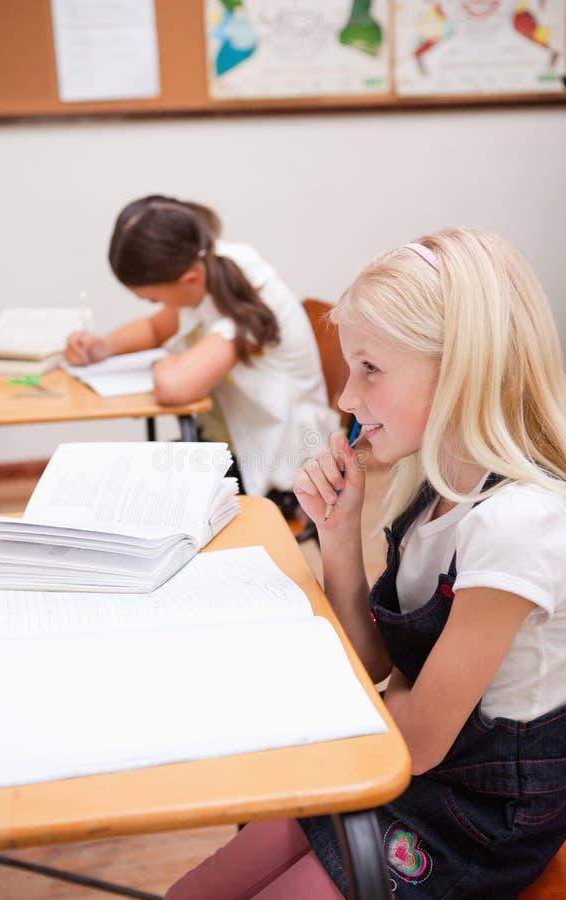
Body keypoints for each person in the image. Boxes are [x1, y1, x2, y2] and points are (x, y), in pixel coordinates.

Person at [163, 227, 566, 899]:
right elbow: (378, 665)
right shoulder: (433, 487)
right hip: (406, 760)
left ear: (463, 367)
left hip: (477, 811)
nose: (346, 399)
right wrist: (339, 532)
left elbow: (420, 738)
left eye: (369, 369)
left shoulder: (516, 524)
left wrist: (394, 694)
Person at [64, 195, 339, 506]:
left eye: (155, 299)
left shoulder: (248, 295)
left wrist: (169, 363)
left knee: (144, 494)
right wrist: (102, 346)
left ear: (189, 280)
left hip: (281, 461)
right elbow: (157, 329)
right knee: (134, 477)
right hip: (234, 439)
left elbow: (173, 387)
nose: (159, 307)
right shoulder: (204, 264)